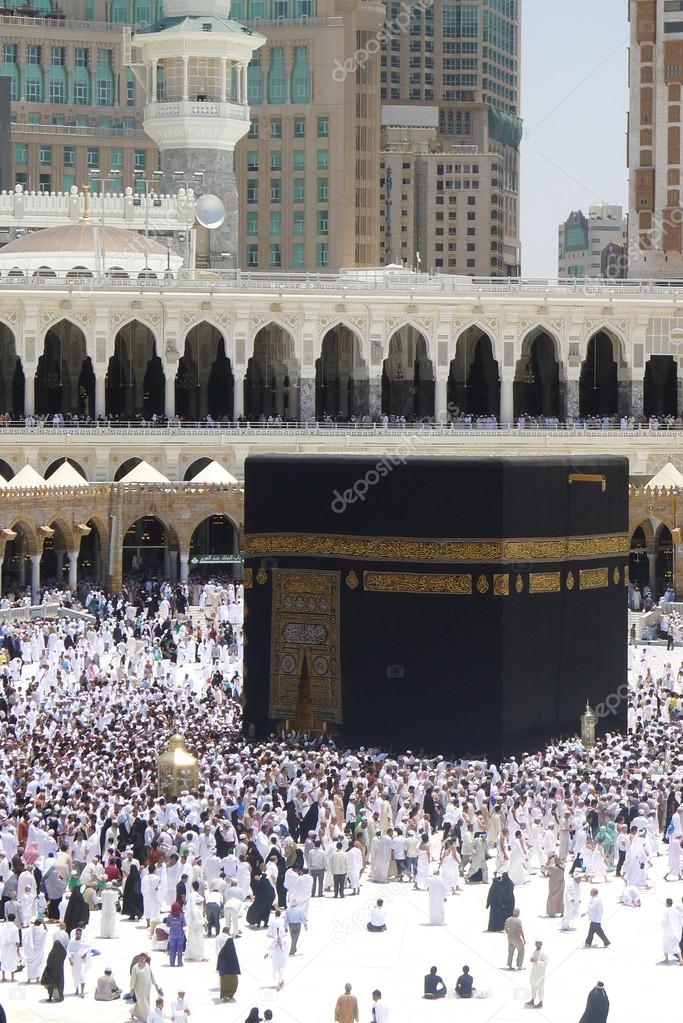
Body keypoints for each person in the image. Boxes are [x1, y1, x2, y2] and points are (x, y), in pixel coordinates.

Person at [130, 952, 162, 1021]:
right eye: (140, 958)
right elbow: (133, 978)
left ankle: (133, 1010)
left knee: (145, 1002)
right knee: (144, 1003)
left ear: (146, 959)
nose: (142, 960)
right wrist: (132, 988)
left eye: (143, 958)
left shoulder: (147, 965)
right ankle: (146, 1018)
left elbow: (151, 975)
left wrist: (156, 984)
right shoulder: (135, 967)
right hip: (139, 988)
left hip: (147, 988)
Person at [67, 926, 91, 999]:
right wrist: (70, 959)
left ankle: (82, 991)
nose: (78, 935)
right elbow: (68, 950)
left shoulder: (84, 941)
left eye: (79, 934)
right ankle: (77, 990)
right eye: (77, 934)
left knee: (82, 976)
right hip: (74, 961)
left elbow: (88, 948)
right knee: (75, 976)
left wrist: (85, 954)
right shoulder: (72, 941)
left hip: (81, 961)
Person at [217, 930, 241, 1001]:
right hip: (230, 967)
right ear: (227, 932)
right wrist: (236, 967)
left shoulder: (218, 938)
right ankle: (229, 995)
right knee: (233, 983)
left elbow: (217, 950)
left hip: (222, 964)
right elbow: (232, 952)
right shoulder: (229, 939)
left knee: (223, 982)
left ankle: (224, 996)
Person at [41, 935, 67, 1002]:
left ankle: (50, 997)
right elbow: (65, 954)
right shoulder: (62, 952)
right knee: (60, 985)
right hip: (59, 972)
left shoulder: (52, 953)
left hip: (51, 972)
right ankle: (61, 997)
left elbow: (48, 961)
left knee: (50, 985)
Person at [24, 918, 48, 983]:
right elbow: (46, 930)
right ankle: (37, 979)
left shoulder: (30, 930)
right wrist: (44, 923)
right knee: (38, 964)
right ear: (40, 924)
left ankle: (29, 979)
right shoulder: (41, 930)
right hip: (39, 950)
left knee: (31, 965)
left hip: (31, 950)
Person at [526, 940, 547, 1009]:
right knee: (533, 985)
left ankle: (541, 1002)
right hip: (534, 972)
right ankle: (532, 1000)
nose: (537, 944)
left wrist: (536, 961)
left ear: (541, 944)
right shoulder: (535, 951)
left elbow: (545, 963)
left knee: (541, 988)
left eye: (538, 943)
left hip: (540, 973)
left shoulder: (543, 953)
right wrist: (532, 960)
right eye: (536, 943)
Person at [165, 902, 187, 968]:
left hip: (172, 936)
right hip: (180, 935)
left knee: (172, 950)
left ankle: (172, 963)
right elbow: (184, 924)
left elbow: (168, 925)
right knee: (180, 949)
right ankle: (180, 963)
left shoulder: (169, 916)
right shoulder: (181, 915)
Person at [661, 898, 683, 963]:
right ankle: (680, 960)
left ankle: (666, 959)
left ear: (667, 903)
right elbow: (680, 920)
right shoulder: (676, 911)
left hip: (669, 932)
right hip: (676, 931)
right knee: (676, 946)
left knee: (665, 945)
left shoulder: (666, 911)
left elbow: (663, 922)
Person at [0, 912, 20, 982]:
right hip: (12, 947)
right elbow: (17, 940)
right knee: (13, 961)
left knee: (4, 960)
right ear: (14, 919)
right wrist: (18, 949)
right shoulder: (15, 928)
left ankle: (3, 977)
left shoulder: (3, 926)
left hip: (4, 946)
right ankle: (12, 978)